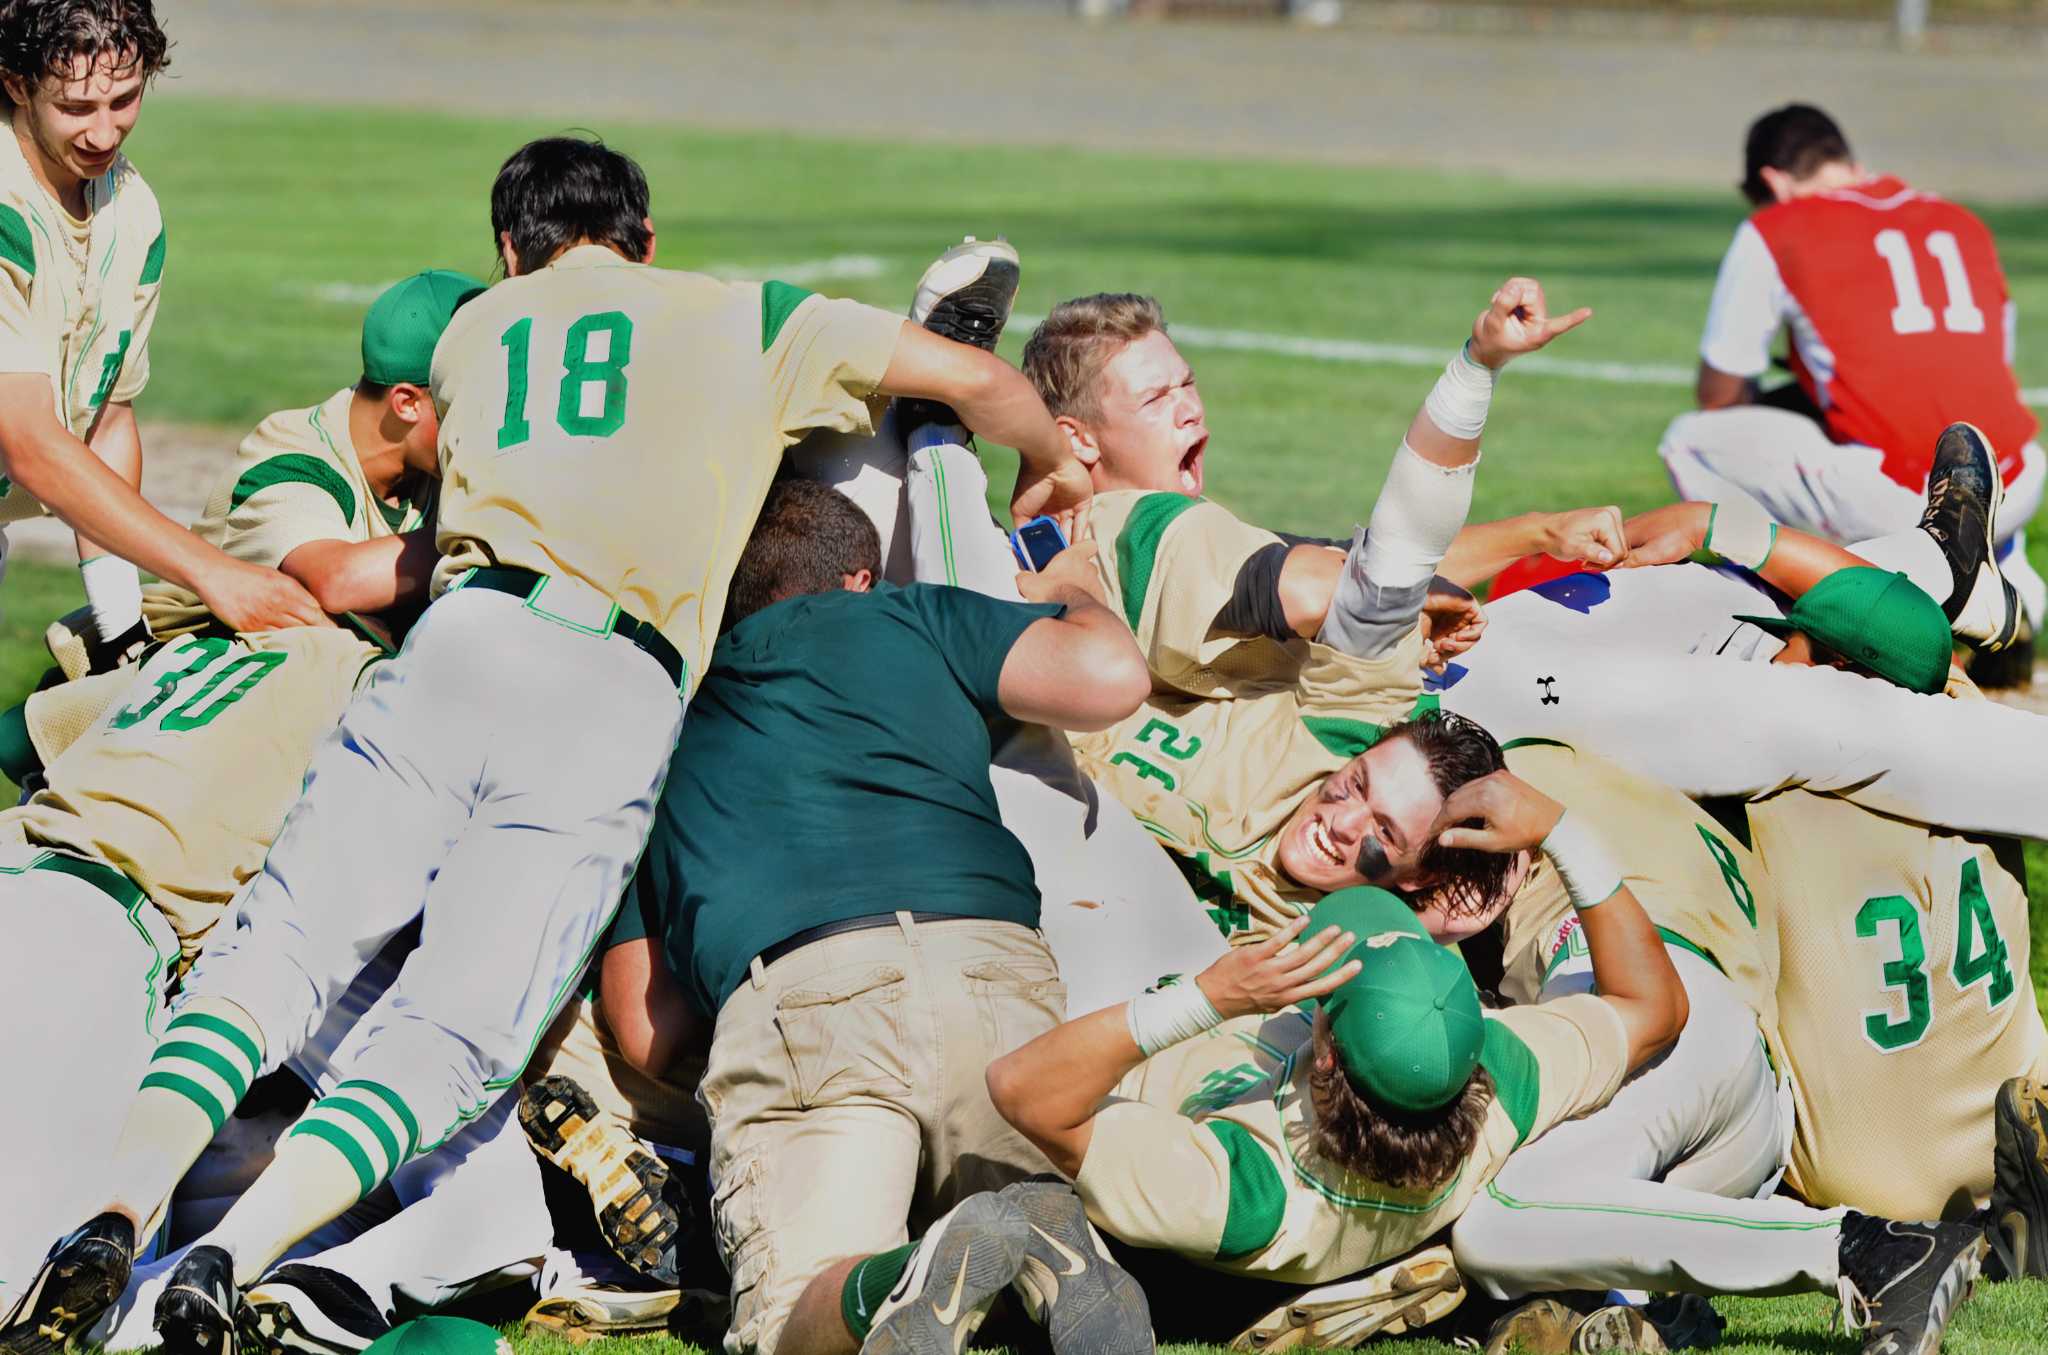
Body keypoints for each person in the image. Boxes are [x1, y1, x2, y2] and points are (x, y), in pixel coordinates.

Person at [1, 133, 1087, 1355]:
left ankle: (115, 1206)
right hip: (610, 679)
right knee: (452, 1032)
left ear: (507, 253)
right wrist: (1047, 459)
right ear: (645, 239)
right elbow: (970, 378)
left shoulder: (475, 331)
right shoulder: (742, 313)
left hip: (459, 634)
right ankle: (230, 1256)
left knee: (278, 953)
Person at [989, 773, 1990, 1355]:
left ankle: (1867, 1249)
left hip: (1686, 1100)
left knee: (1500, 1225)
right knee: (1504, 1228)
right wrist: (1562, 831)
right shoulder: (1500, 1070)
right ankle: (1622, 1309)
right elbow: (1655, 1006)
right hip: (1705, 1080)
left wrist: (1210, 995)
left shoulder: (1249, 1188)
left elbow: (1022, 1089)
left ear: (1324, 1046)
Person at [595, 478, 1154, 1355]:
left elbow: (642, 1026)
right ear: (861, 577)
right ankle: (1046, 1239)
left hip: (805, 991)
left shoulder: (672, 724)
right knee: (1001, 1214)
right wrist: (1072, 585)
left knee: (794, 1316)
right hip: (996, 970)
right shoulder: (910, 617)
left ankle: (897, 1275)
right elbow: (1111, 676)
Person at [1658, 102, 2045, 638]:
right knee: (1979, 431)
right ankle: (2015, 583)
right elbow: (1984, 365)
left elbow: (1720, 393)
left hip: (1911, 494)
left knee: (1689, 441)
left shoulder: (1778, 226)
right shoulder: (1960, 221)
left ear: (1773, 181)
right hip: (2017, 477)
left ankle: (1794, 604)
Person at [0, 0, 323, 638]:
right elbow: (29, 446)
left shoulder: (133, 211)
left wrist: (121, 625)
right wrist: (212, 572)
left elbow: (106, 420)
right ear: (15, 84)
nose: (103, 134)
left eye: (123, 100)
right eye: (76, 108)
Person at [140, 269, 485, 638]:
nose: (491, 419)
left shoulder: (435, 461)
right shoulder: (290, 456)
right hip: (184, 658)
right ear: (407, 403)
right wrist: (494, 532)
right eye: (478, 399)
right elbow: (337, 581)